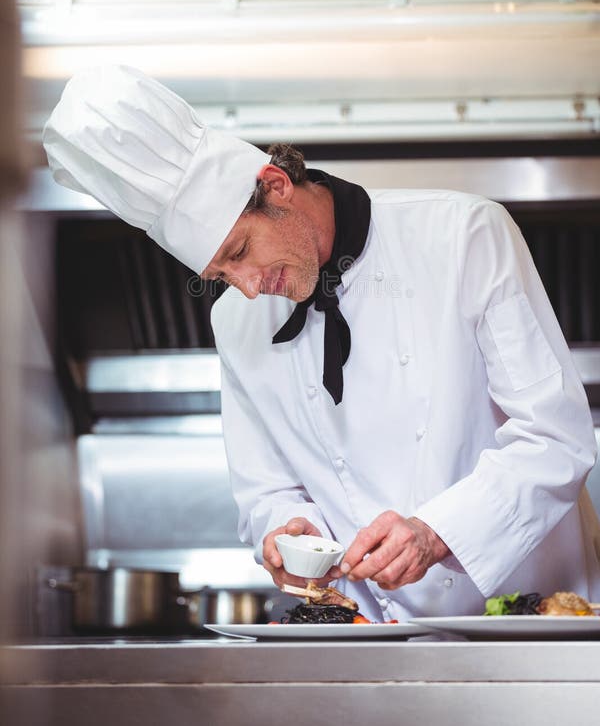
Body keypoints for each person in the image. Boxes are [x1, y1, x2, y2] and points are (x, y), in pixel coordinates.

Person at [44, 64, 600, 622]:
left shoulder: (462, 235)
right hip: (375, 652)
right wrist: (285, 533)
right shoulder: (237, 322)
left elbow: (555, 437)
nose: (248, 288)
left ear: (276, 186)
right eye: (222, 274)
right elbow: (266, 492)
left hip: (531, 630)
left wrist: (435, 534)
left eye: (239, 252)